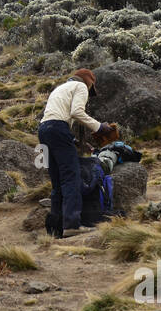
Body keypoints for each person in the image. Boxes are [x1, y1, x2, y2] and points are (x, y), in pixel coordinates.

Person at [38, 70, 116, 238]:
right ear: (88, 82)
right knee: (70, 177)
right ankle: (72, 225)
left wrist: (75, 142)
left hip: (44, 130)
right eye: (91, 89)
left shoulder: (60, 89)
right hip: (58, 129)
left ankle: (56, 228)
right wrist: (99, 127)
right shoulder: (80, 86)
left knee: (57, 180)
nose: (89, 92)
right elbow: (76, 112)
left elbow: (53, 119)